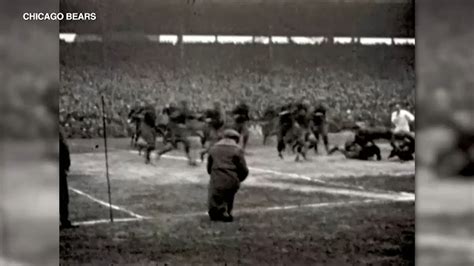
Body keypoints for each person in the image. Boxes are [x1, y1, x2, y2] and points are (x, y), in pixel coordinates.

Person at [207, 129, 249, 222]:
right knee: (228, 196)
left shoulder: (213, 148)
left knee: (215, 196)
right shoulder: (237, 150)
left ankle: (216, 212)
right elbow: (243, 169)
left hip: (217, 178)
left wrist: (213, 174)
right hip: (232, 179)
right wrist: (239, 179)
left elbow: (209, 166)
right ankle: (226, 212)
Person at [60, 128, 77, 229]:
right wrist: (66, 167)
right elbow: (66, 156)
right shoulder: (62, 144)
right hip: (60, 172)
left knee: (63, 198)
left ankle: (64, 220)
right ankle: (64, 220)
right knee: (63, 198)